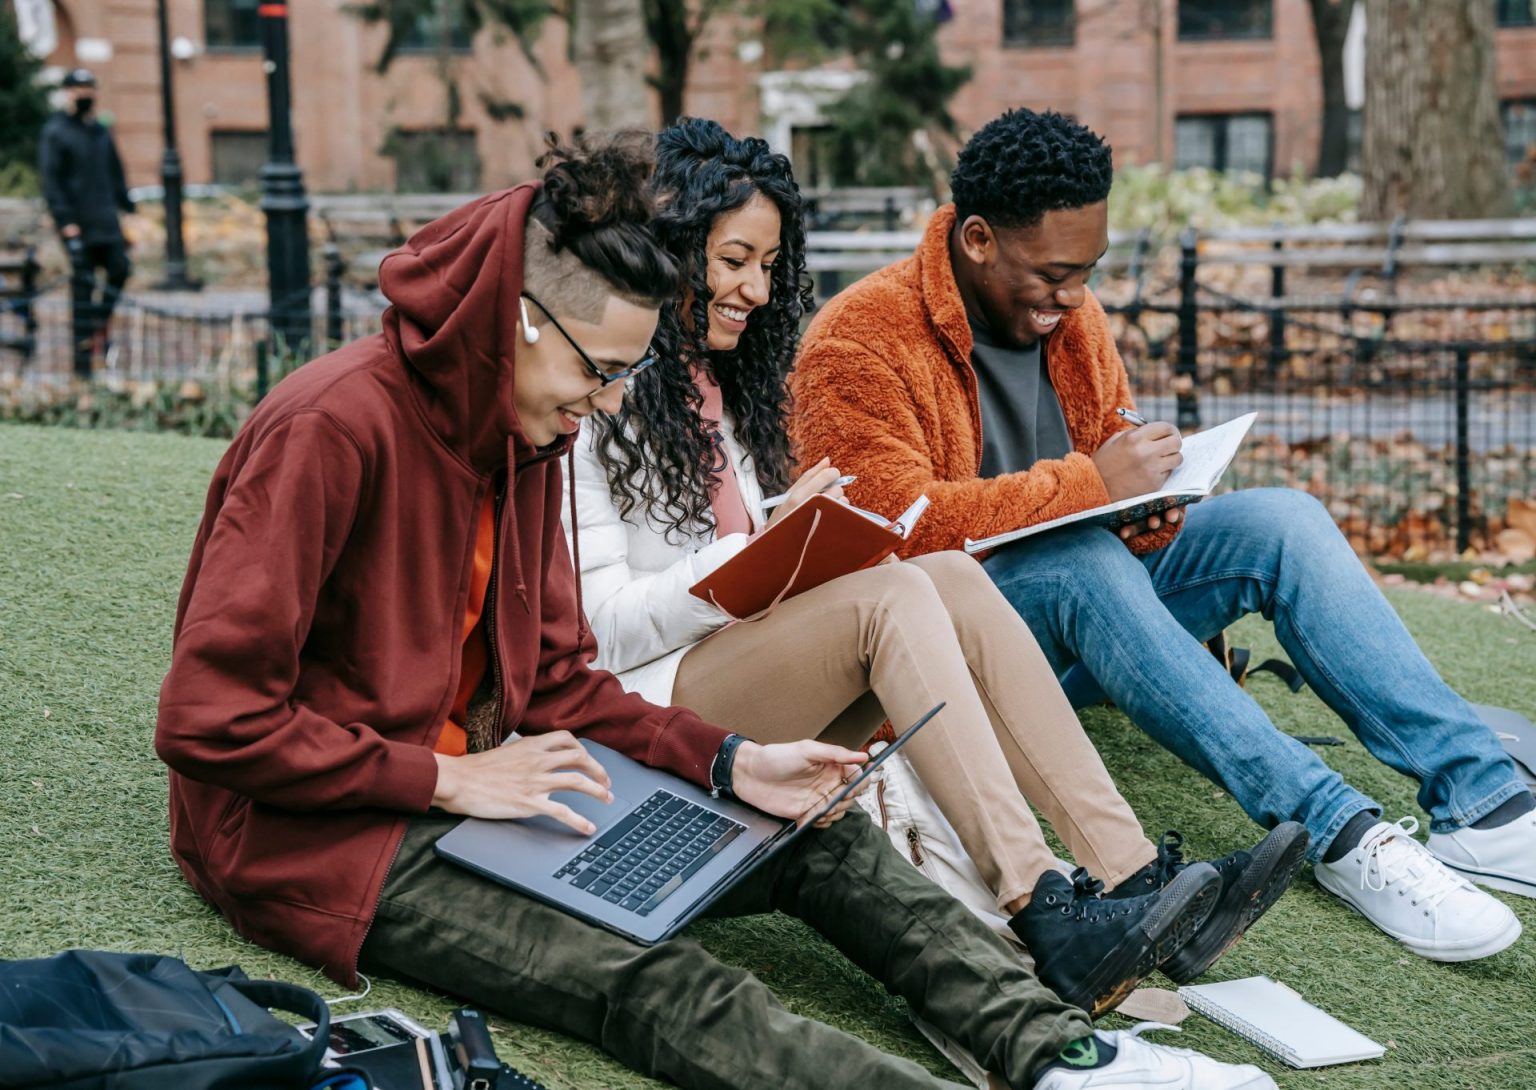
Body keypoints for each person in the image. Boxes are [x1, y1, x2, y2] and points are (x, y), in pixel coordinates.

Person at [153, 132, 1275, 1090]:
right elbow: (209, 718)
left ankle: (1065, 1058)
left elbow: (558, 682)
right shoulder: (327, 431)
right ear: (524, 321)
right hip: (339, 837)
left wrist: (732, 760)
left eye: (620, 383)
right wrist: (450, 777)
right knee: (644, 975)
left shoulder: (527, 429)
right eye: (596, 374)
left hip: (513, 776)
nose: (599, 408)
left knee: (813, 833)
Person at [566, 117, 1303, 1020]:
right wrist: (760, 550)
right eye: (730, 261)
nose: (754, 290)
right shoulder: (585, 394)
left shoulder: (731, 386)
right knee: (892, 595)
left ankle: (1129, 875)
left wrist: (794, 538)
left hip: (739, 658)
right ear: (669, 248)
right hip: (647, 708)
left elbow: (752, 561)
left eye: (767, 265)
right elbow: (597, 632)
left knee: (948, 577)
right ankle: (1043, 906)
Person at [789, 106, 1536, 964]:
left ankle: (1486, 806)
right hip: (955, 655)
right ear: (980, 239)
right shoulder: (857, 337)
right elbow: (880, 540)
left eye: (1090, 270)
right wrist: (1090, 487)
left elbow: (1111, 454)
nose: (1073, 298)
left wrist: (1150, 505)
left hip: (1088, 611)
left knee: (1282, 520)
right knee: (1076, 561)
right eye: (1055, 273)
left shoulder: (1074, 316)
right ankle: (1344, 836)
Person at [39, 67, 134, 377]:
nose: (85, 94)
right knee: (82, 287)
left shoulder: (100, 130)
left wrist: (128, 209)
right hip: (77, 224)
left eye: (89, 88)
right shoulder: (56, 131)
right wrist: (65, 221)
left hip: (107, 220)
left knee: (120, 269)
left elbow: (116, 173)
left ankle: (97, 324)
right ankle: (82, 366)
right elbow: (51, 182)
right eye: (79, 89)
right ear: (68, 92)